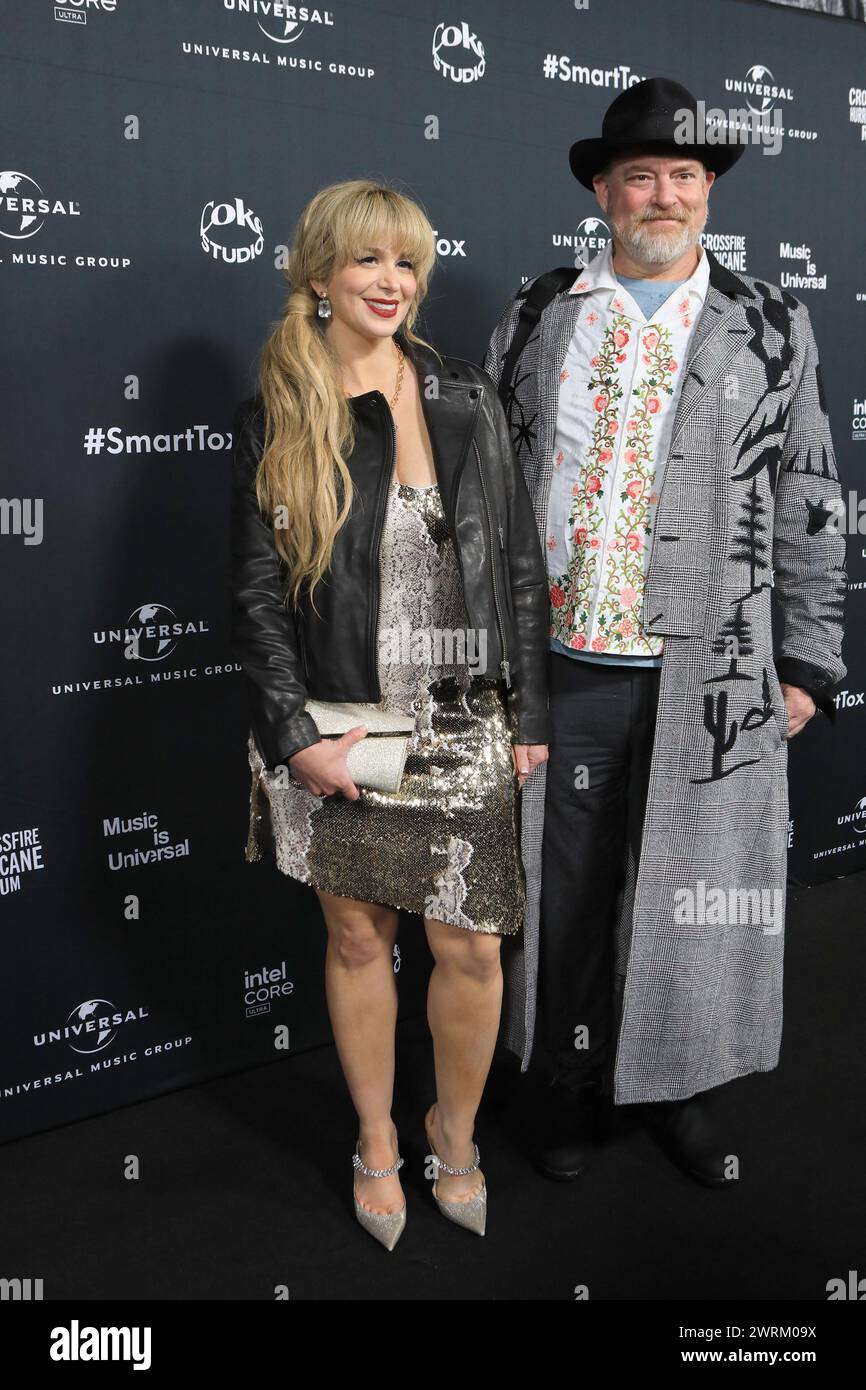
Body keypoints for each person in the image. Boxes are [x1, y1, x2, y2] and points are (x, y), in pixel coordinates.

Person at [482, 78, 847, 1185]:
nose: (662, 193)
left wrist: (807, 655)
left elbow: (809, 492)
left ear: (707, 190)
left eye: (683, 175)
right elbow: (485, 497)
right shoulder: (540, 312)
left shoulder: (770, 321)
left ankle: (673, 1088)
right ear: (601, 188)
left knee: (690, 891)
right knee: (568, 894)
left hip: (712, 668)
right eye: (638, 174)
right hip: (566, 667)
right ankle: (566, 1083)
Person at [229, 180, 550, 1249]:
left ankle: (449, 1134)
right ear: (318, 274)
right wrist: (293, 732)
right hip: (341, 725)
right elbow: (255, 595)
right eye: (367, 261)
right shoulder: (279, 408)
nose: (391, 283)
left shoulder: (462, 392)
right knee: (358, 940)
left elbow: (513, 563)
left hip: (462, 717)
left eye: (405, 263)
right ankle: (375, 1138)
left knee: (470, 951)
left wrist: (530, 709)